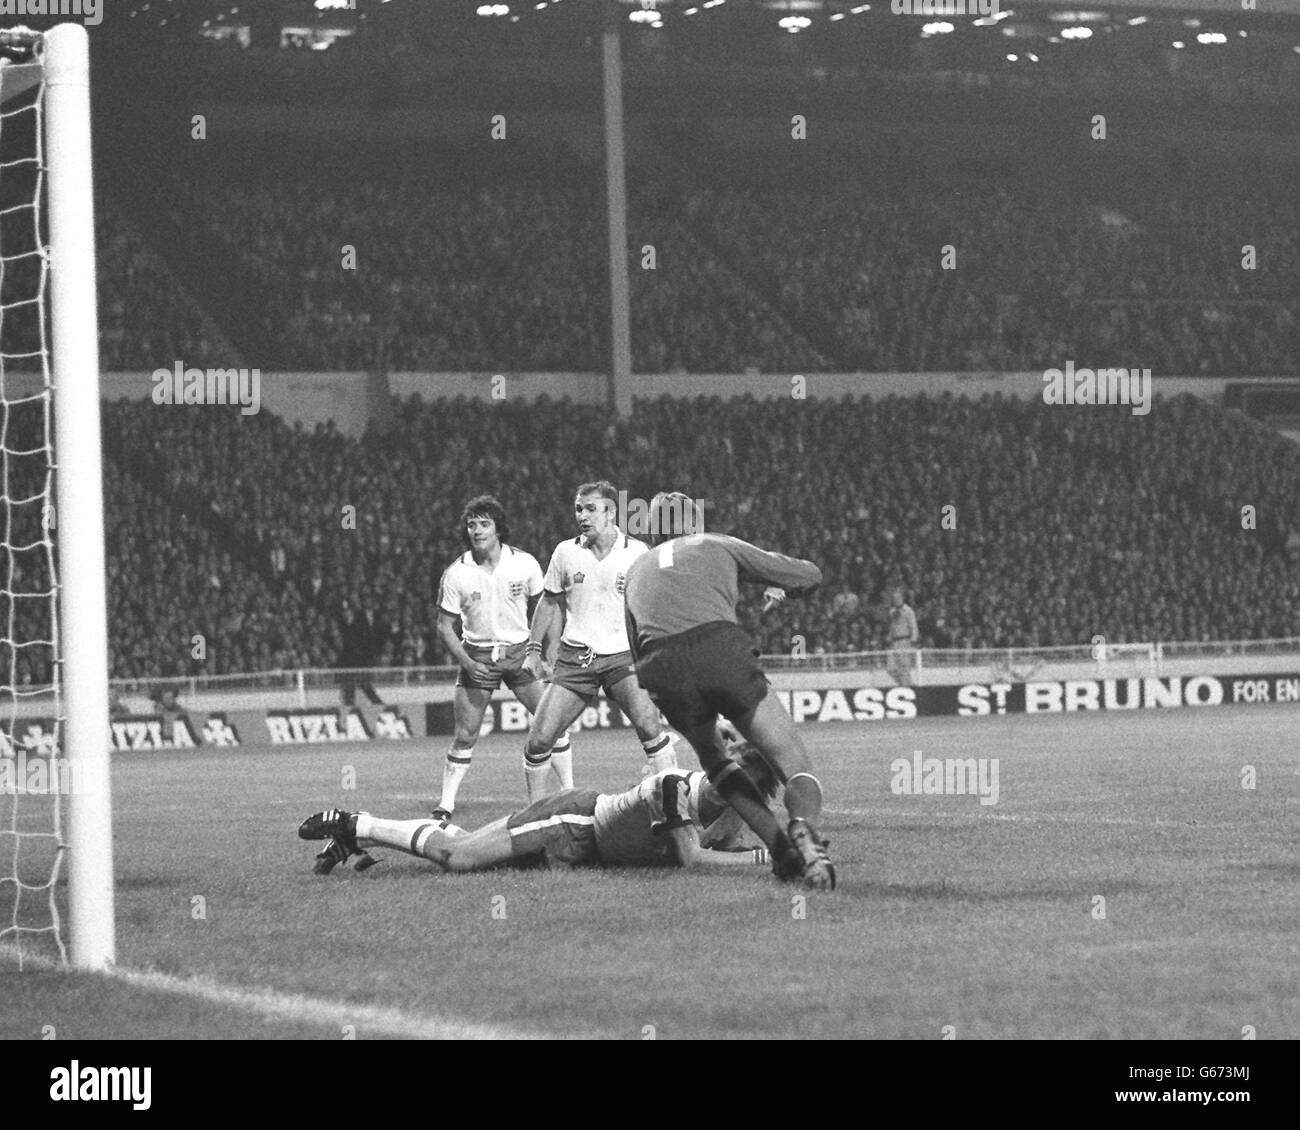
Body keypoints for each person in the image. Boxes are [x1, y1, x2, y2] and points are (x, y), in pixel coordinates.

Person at [623, 492, 836, 891]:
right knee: (790, 758)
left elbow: (635, 645)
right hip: (718, 647)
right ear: (694, 523)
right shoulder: (718, 543)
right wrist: (783, 588)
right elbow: (810, 575)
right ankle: (803, 831)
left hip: (661, 667)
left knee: (715, 759)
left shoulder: (635, 571)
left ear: (652, 529)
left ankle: (781, 851)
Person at [299, 733, 776, 876]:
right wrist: (773, 858)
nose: (720, 780)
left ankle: (355, 835)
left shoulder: (732, 810)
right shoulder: (673, 786)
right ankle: (352, 820)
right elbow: (691, 859)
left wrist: (768, 849)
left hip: (586, 845)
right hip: (569, 820)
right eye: (723, 771)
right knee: (459, 857)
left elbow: (717, 850)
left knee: (463, 843)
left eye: (733, 781)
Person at [518, 480, 678, 801]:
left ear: (610, 512)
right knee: (538, 741)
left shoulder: (637, 553)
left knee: (650, 728)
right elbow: (549, 602)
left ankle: (676, 809)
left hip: (623, 657)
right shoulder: (566, 552)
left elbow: (653, 605)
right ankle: (534, 815)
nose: (582, 515)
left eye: (591, 508)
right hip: (576, 659)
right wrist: (534, 651)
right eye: (579, 508)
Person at [431, 494, 571, 821]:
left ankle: (568, 791)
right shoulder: (456, 574)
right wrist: (468, 663)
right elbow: (444, 626)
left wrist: (549, 651)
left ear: (498, 529)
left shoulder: (524, 563)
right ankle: (446, 804)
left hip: (521, 653)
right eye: (471, 524)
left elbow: (548, 607)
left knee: (554, 722)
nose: (477, 530)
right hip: (478, 655)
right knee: (465, 734)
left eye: (484, 523)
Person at [886, 585, 919, 687]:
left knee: (904, 667)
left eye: (898, 598)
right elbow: (892, 626)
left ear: (902, 598)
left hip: (905, 640)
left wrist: (913, 640)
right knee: (891, 668)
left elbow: (913, 626)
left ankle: (906, 688)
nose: (896, 600)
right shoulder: (891, 612)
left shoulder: (908, 611)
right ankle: (905, 684)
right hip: (894, 642)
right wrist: (889, 638)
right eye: (894, 598)